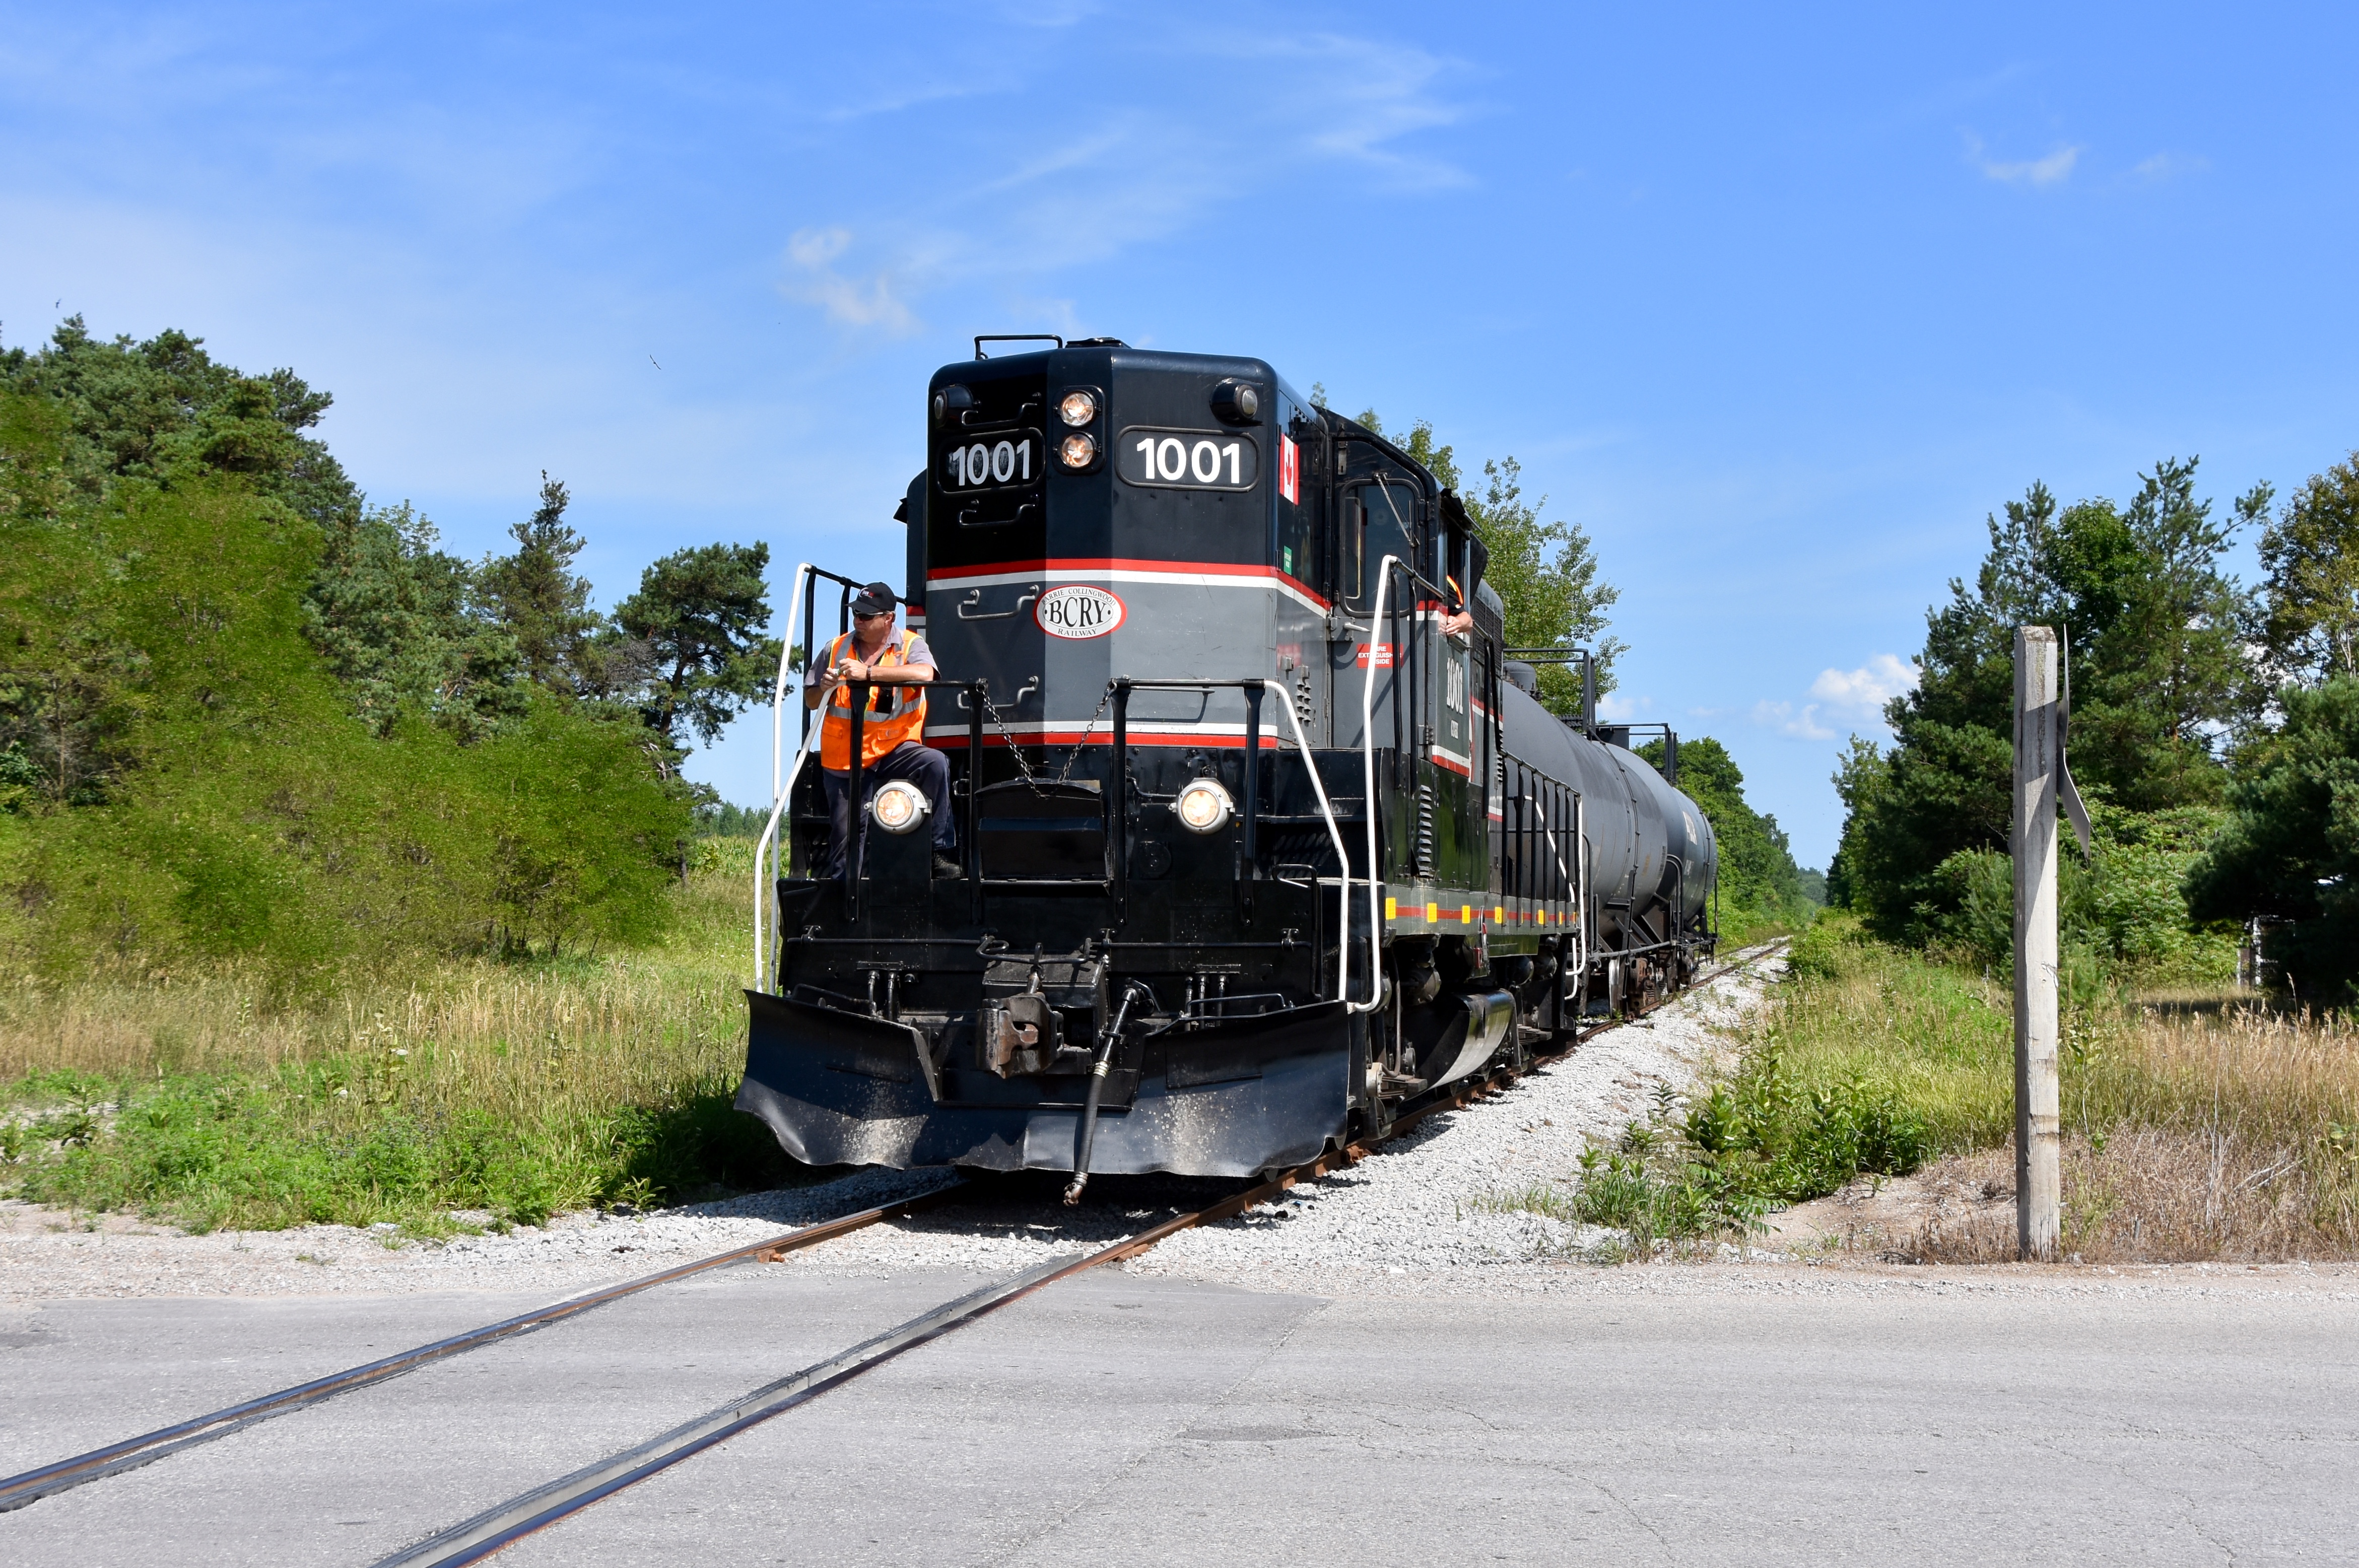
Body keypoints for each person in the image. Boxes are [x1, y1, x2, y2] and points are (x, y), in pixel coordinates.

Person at [805, 582, 961, 880]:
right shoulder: (835, 648)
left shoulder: (912, 645)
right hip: (845, 759)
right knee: (846, 847)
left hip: (895, 750)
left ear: (888, 618)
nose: (858, 622)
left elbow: (926, 674)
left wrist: (869, 674)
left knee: (935, 763)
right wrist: (823, 687)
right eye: (856, 615)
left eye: (866, 616)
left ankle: (939, 854)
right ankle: (847, 903)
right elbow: (811, 700)